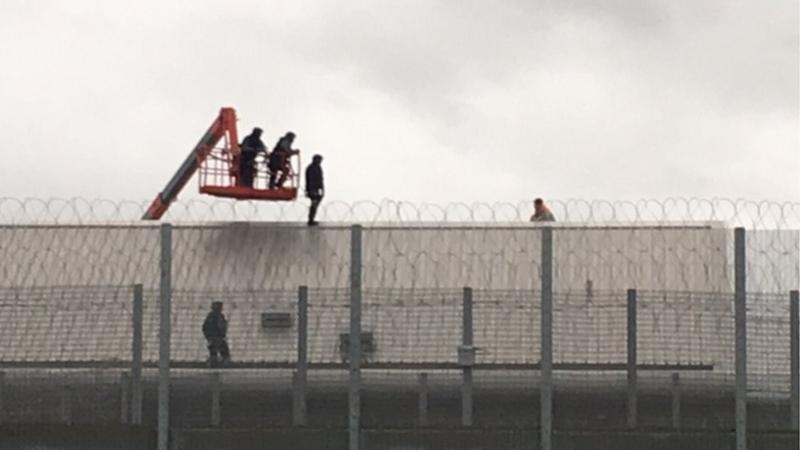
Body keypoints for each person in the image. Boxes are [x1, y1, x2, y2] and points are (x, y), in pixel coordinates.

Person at [202, 301, 230, 367]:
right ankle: (218, 365)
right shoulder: (218, 316)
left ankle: (214, 364)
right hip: (217, 338)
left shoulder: (211, 316)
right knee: (223, 353)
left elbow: (204, 327)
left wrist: (208, 337)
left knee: (214, 352)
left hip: (213, 338)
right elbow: (221, 327)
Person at [305, 154, 324, 226]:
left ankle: (311, 219)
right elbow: (310, 180)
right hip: (313, 189)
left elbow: (320, 179)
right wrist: (309, 190)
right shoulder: (311, 168)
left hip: (316, 189)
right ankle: (311, 219)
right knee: (314, 204)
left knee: (315, 204)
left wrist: (322, 188)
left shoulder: (317, 167)